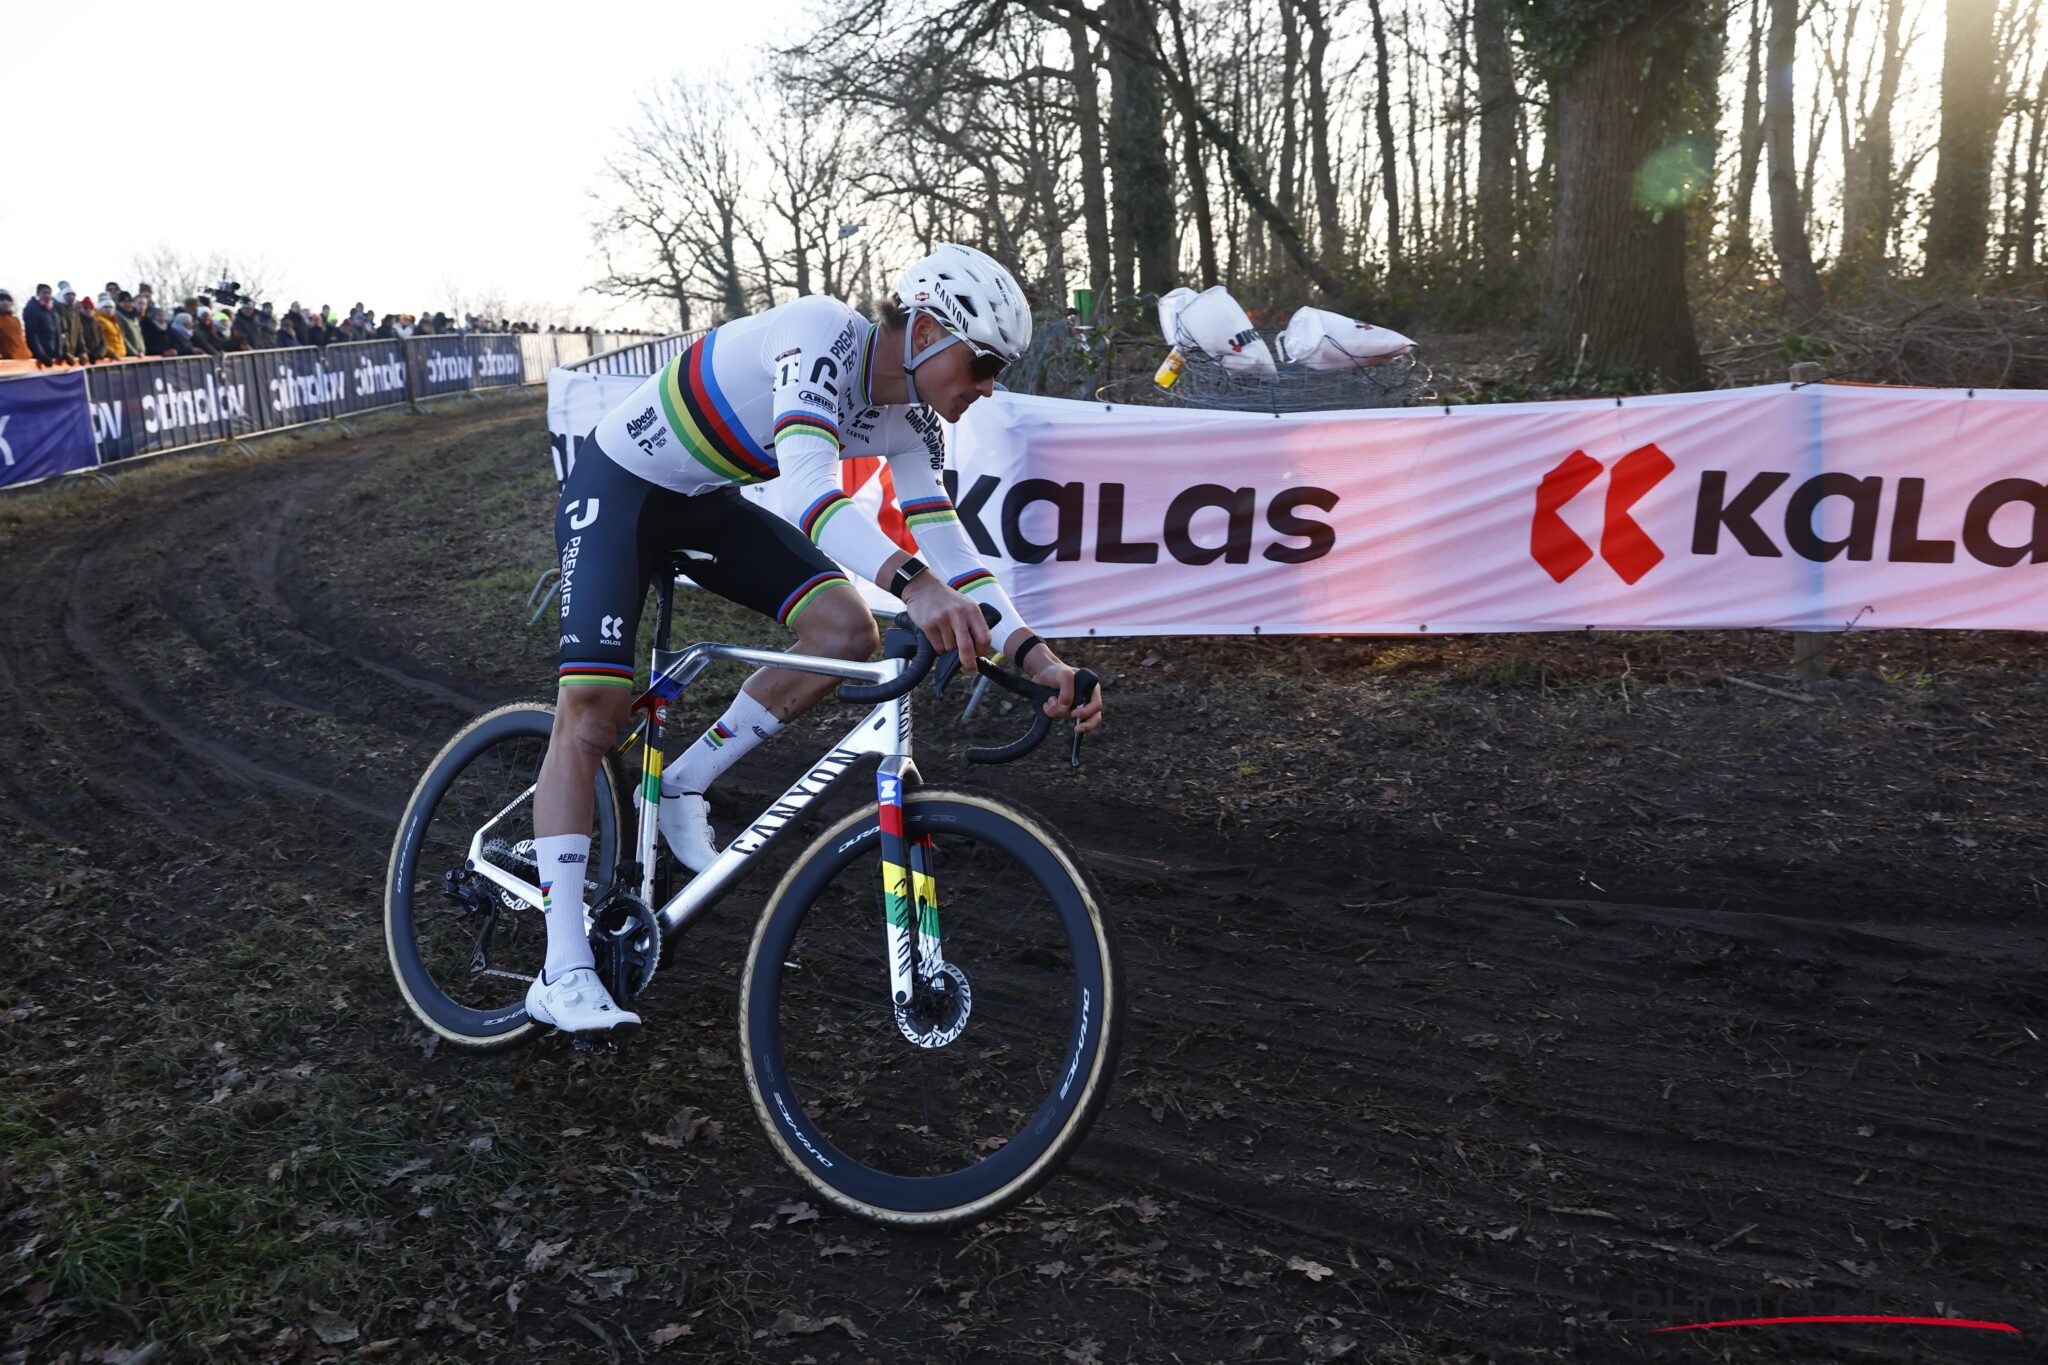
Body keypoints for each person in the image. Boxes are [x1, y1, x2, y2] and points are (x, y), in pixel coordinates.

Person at [521, 243, 1103, 1037]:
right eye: (983, 362)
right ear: (928, 330)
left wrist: (1035, 653)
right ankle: (561, 967)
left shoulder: (912, 422)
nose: (989, 385)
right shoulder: (822, 335)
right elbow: (805, 490)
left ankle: (684, 780)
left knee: (844, 629)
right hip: (619, 483)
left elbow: (950, 545)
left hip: (700, 498)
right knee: (591, 715)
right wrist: (913, 583)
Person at [90, 295, 126, 359]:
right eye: (106, 307)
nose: (109, 309)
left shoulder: (114, 322)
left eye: (111, 307)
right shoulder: (99, 321)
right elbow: (100, 341)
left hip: (120, 355)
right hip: (109, 357)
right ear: (100, 308)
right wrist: (111, 353)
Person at [0, 291, 29, 361]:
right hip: (8, 360)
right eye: (2, 300)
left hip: (25, 356)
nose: (5, 302)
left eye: (8, 300)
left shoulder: (16, 320)